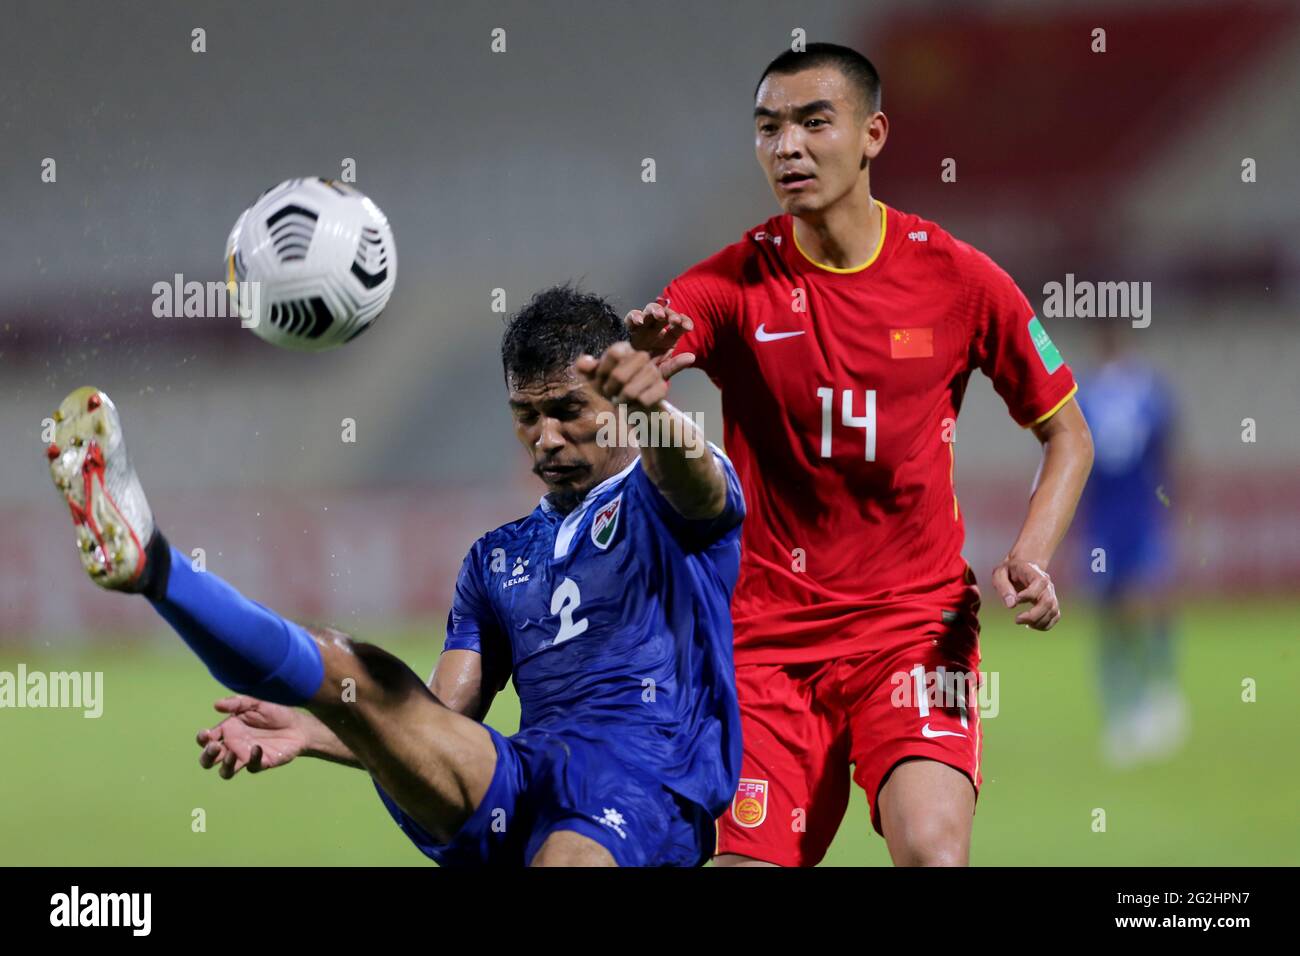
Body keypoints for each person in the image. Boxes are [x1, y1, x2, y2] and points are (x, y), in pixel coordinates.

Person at [45, 284, 745, 867]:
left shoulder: (662, 498)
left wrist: (652, 407)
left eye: (567, 410)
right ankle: (155, 566)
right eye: (526, 416)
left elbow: (695, 484)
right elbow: (439, 720)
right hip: (528, 777)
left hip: (650, 781)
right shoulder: (496, 558)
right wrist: (320, 727)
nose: (546, 436)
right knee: (355, 672)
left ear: (615, 403)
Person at [628, 43, 1095, 866]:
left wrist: (1031, 554)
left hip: (916, 629)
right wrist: (634, 370)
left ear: (873, 134)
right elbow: (657, 340)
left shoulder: (959, 279)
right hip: (767, 645)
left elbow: (1068, 432)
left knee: (933, 852)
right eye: (768, 128)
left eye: (814, 122)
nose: (787, 147)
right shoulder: (734, 281)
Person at [1077, 326, 1184, 767]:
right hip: (1106, 520)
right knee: (1110, 613)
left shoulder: (1146, 393)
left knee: (1143, 602)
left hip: (1134, 516)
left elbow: (1165, 455)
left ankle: (1158, 694)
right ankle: (1125, 710)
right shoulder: (1087, 396)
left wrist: (1169, 506)